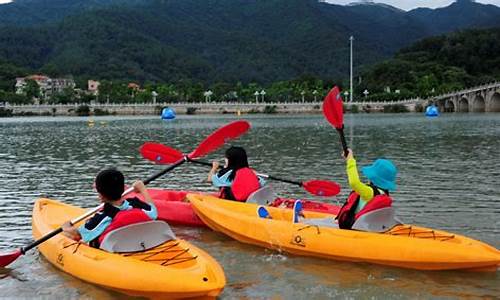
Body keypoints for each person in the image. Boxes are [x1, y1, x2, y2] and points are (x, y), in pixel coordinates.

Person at [62, 168, 157, 248]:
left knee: (70, 236)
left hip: (115, 249)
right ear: (123, 188)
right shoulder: (135, 204)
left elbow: (76, 234)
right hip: (137, 243)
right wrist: (142, 189)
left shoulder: (104, 217)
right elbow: (153, 212)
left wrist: (66, 227)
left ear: (101, 195)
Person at [335, 148, 397, 229]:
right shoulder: (383, 194)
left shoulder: (369, 192)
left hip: (355, 229)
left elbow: (354, 183)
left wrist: (350, 160)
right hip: (370, 228)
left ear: (373, 177)